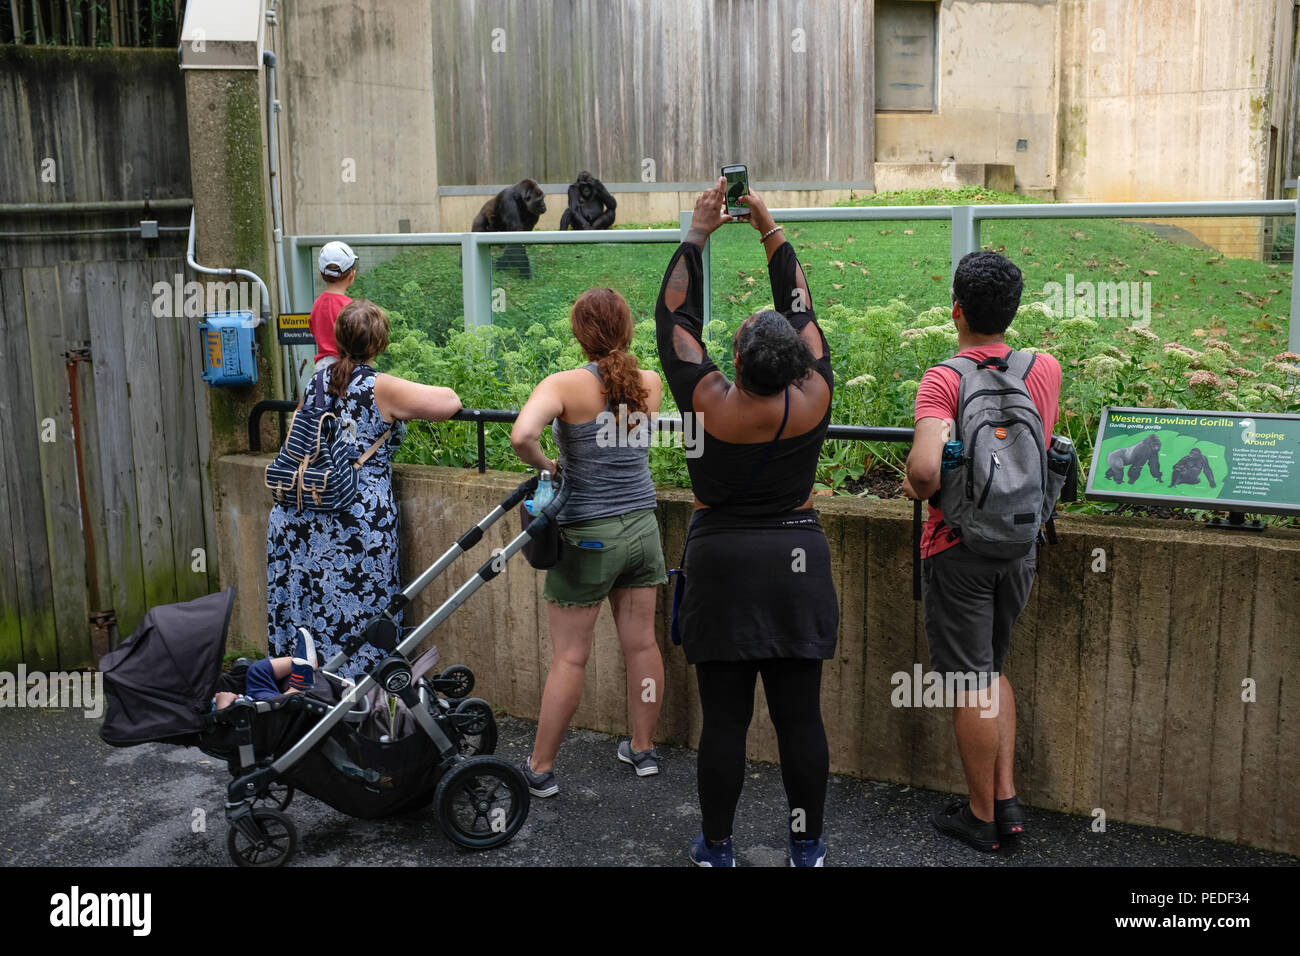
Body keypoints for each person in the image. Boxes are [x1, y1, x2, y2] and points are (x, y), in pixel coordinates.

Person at [655, 179, 838, 867]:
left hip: (722, 563)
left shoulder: (706, 401)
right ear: (797, 363)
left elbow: (672, 319)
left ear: (731, 361)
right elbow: (805, 308)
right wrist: (770, 230)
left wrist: (698, 232)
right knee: (800, 722)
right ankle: (807, 847)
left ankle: (719, 848)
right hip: (797, 562)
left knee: (724, 722)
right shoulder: (815, 395)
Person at [902, 251, 1062, 852]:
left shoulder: (945, 378)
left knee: (969, 682)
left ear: (956, 311)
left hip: (958, 545)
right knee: (993, 670)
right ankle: (1007, 801)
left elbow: (922, 473)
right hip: (1021, 543)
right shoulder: (1043, 369)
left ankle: (980, 817)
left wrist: (921, 479)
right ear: (1013, 311)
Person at [510, 288, 668, 798]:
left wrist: (550, 466)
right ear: (627, 329)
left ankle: (540, 767)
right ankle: (642, 749)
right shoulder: (650, 383)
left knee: (570, 658)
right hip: (643, 527)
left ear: (580, 333)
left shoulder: (564, 385)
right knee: (642, 644)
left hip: (587, 536)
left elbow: (520, 436)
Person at [267, 299, 461, 679]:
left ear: (338, 339)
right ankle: (360, 693)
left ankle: (310, 689)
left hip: (305, 508)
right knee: (360, 610)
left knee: (311, 610)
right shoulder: (378, 386)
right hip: (354, 516)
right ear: (380, 344)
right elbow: (449, 402)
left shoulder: (316, 380)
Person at [213, 628, 317, 710]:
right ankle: (298, 687)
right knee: (267, 704)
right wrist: (223, 704)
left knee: (256, 669)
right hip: (252, 715)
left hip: (246, 699)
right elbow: (224, 731)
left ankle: (301, 661)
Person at [309, 240, 360, 373]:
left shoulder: (317, 304)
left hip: (321, 369)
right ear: (352, 275)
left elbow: (313, 329)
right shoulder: (350, 307)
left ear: (322, 274)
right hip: (346, 367)